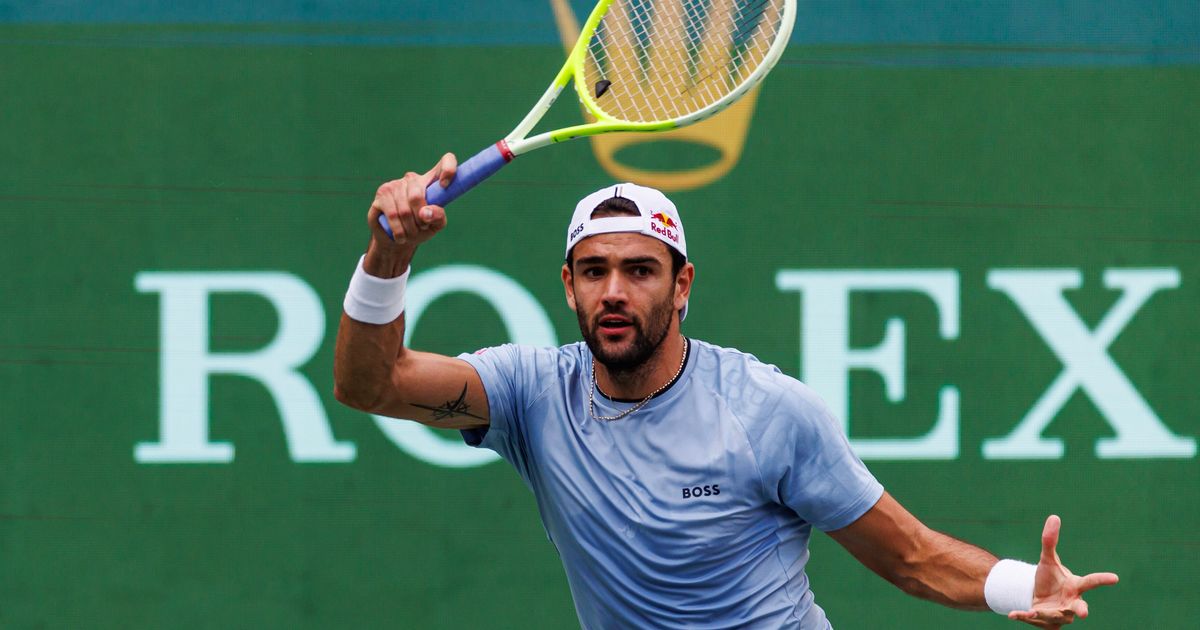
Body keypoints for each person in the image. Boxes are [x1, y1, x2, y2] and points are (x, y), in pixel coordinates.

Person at [333, 154, 1118, 629]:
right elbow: (370, 384)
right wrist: (386, 254)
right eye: (596, 270)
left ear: (682, 289)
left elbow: (910, 556)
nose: (615, 291)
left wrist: (1021, 582)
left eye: (640, 271)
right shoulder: (531, 393)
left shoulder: (767, 412)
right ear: (568, 286)